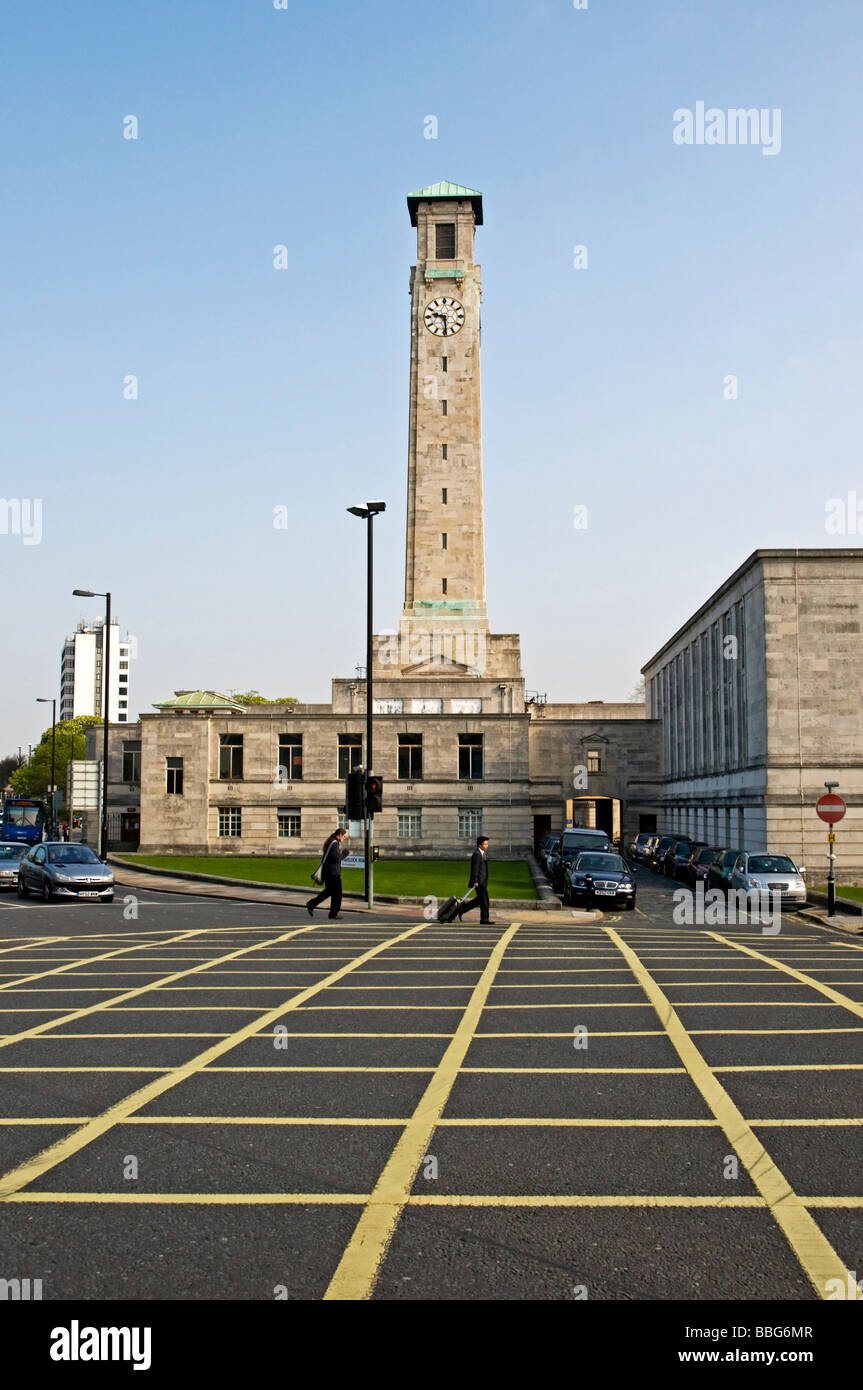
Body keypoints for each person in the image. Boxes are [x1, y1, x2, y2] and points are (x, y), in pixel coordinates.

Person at [306, 828, 348, 919]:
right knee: (338, 894)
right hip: (333, 873)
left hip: (329, 872)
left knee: (329, 891)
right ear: (340, 835)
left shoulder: (331, 842)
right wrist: (344, 854)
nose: (344, 838)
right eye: (344, 836)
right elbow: (336, 858)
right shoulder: (334, 844)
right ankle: (333, 913)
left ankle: (312, 904)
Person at [458, 835, 495, 924]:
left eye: (487, 844)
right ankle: (484, 919)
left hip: (482, 882)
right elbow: (474, 869)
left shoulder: (482, 853)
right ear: (480, 845)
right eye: (485, 844)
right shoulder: (477, 854)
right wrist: (475, 881)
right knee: (485, 901)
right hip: (479, 882)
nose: (487, 846)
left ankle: (462, 909)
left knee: (479, 900)